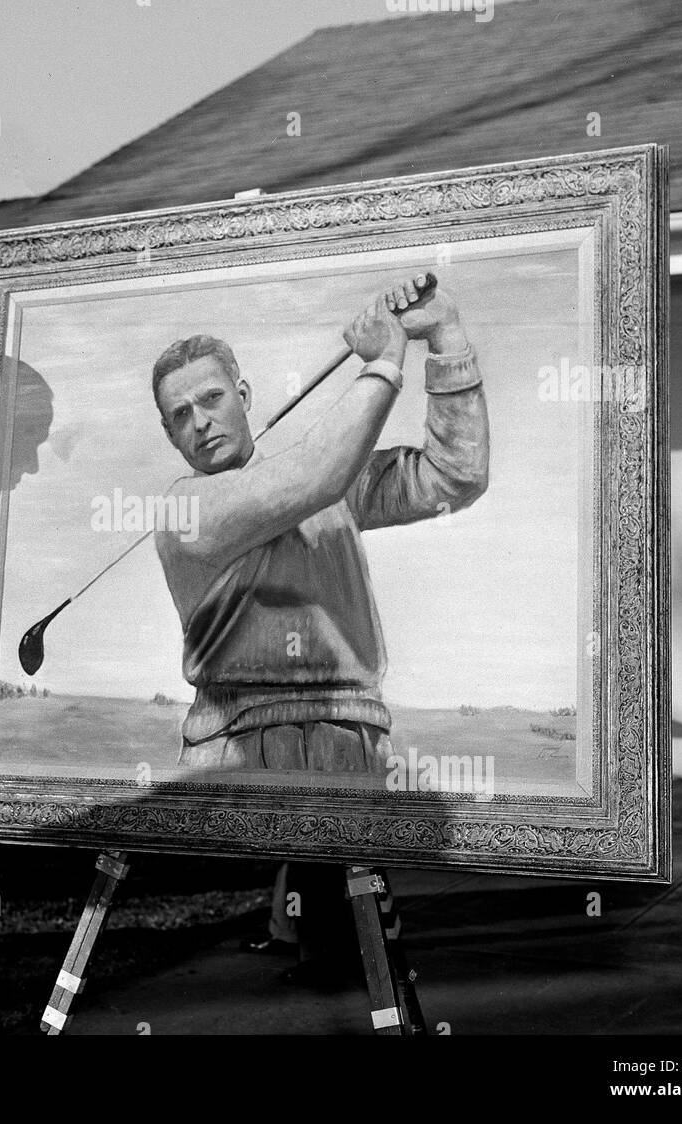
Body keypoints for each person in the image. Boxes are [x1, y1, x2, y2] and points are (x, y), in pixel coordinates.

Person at [151, 272, 488, 976]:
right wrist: (382, 361)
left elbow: (456, 475)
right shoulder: (186, 514)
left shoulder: (323, 478)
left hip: (349, 737)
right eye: (180, 415)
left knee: (362, 956)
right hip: (246, 750)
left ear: (244, 399)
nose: (200, 421)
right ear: (170, 435)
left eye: (211, 399)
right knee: (337, 955)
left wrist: (445, 337)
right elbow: (314, 476)